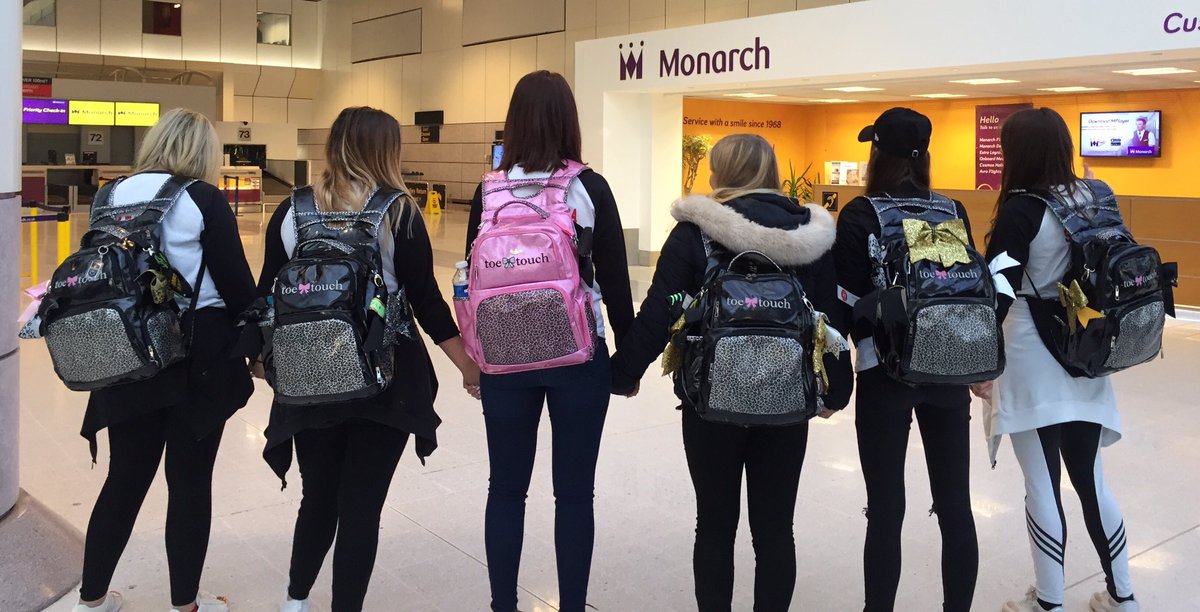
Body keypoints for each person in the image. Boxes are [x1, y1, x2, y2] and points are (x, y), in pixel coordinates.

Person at [611, 133, 852, 611]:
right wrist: (837, 391)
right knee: (776, 529)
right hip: (786, 401)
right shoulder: (811, 234)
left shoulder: (695, 232)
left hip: (709, 401)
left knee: (715, 526)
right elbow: (831, 319)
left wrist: (624, 373)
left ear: (721, 173)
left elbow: (660, 311)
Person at [257, 107, 480, 612]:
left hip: (309, 373)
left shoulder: (292, 211)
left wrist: (260, 360)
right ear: (387, 151)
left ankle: (295, 600)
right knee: (361, 507)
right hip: (387, 376)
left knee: (318, 498)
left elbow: (266, 295)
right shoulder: (397, 212)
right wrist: (467, 366)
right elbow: (425, 302)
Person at [72, 109, 257, 612]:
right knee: (190, 481)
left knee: (125, 478)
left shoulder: (110, 195)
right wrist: (258, 346)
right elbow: (238, 287)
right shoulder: (202, 198)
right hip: (198, 353)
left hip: (125, 348)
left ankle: (91, 600)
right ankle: (185, 605)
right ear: (203, 153)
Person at [464, 70, 635, 612]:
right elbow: (616, 283)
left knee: (505, 489)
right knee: (575, 493)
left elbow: (471, 279)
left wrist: (475, 357)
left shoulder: (488, 189)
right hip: (578, 358)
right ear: (568, 119)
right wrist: (626, 365)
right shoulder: (588, 187)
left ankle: (503, 605)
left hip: (504, 357)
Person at [980, 107, 1140, 612]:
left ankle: (1049, 602)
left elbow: (999, 291)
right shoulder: (1096, 196)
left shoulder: (1021, 209)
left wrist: (979, 363)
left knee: (1041, 483)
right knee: (1091, 478)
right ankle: (1123, 596)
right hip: (1086, 350)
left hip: (1029, 354)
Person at [832, 107, 980, 612]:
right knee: (955, 506)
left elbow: (845, 301)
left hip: (884, 371)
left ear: (878, 155)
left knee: (886, 509)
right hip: (948, 367)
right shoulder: (950, 210)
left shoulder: (861, 213)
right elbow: (957, 289)